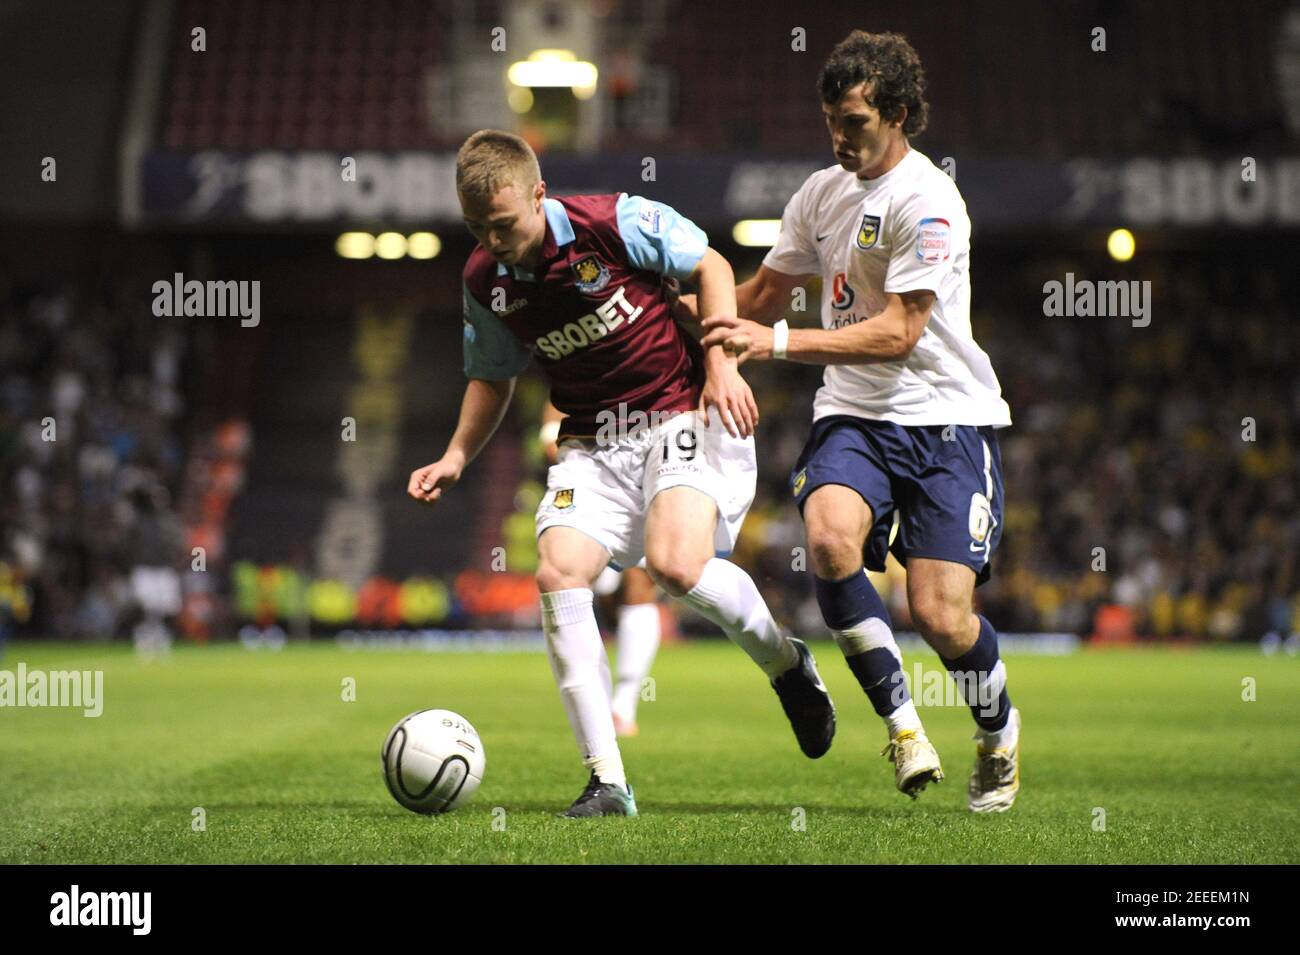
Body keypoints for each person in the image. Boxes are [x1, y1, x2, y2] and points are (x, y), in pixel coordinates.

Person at [408, 130, 835, 818]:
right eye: (476, 226)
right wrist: (457, 454)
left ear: (539, 195)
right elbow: (491, 376)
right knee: (558, 572)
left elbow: (711, 265)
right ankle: (607, 782)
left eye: (504, 223)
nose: (492, 239)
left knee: (675, 565)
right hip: (590, 441)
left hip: (677, 411)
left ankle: (786, 664)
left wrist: (721, 364)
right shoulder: (484, 279)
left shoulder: (612, 221)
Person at [698, 32, 1021, 812]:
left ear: (898, 114)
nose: (840, 138)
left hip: (947, 420)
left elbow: (899, 332)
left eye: (855, 123)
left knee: (941, 615)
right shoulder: (819, 194)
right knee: (829, 540)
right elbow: (761, 297)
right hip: (854, 413)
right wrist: (660, 312)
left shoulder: (930, 201)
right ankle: (904, 727)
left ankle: (997, 731)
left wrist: (774, 344)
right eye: (831, 122)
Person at [540, 400, 662, 738]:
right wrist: (551, 437)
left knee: (641, 581)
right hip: (591, 477)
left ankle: (624, 705)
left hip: (648, 467)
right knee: (593, 588)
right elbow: (554, 410)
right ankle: (597, 698)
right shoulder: (582, 373)